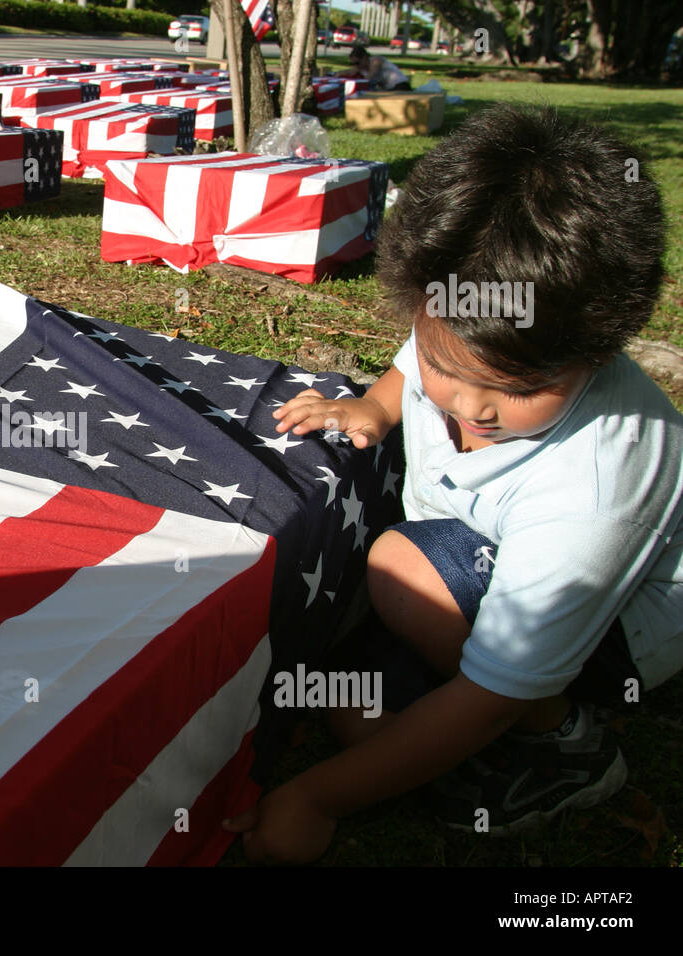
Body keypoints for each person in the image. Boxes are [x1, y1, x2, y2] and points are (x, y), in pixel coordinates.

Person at [224, 104, 683, 864]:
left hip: (615, 626)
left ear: (599, 348)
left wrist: (315, 796)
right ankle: (469, 733)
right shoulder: (468, 303)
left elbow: (493, 688)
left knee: (401, 575)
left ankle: (566, 744)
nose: (472, 406)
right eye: (448, 368)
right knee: (359, 710)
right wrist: (375, 403)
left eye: (516, 387)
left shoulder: (593, 490)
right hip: (477, 556)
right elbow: (415, 354)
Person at [345, 44, 411, 91]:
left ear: (364, 58)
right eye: (352, 64)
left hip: (401, 87)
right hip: (390, 90)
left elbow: (369, 78)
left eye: (357, 63)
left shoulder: (376, 61)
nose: (356, 66)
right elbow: (350, 71)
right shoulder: (363, 68)